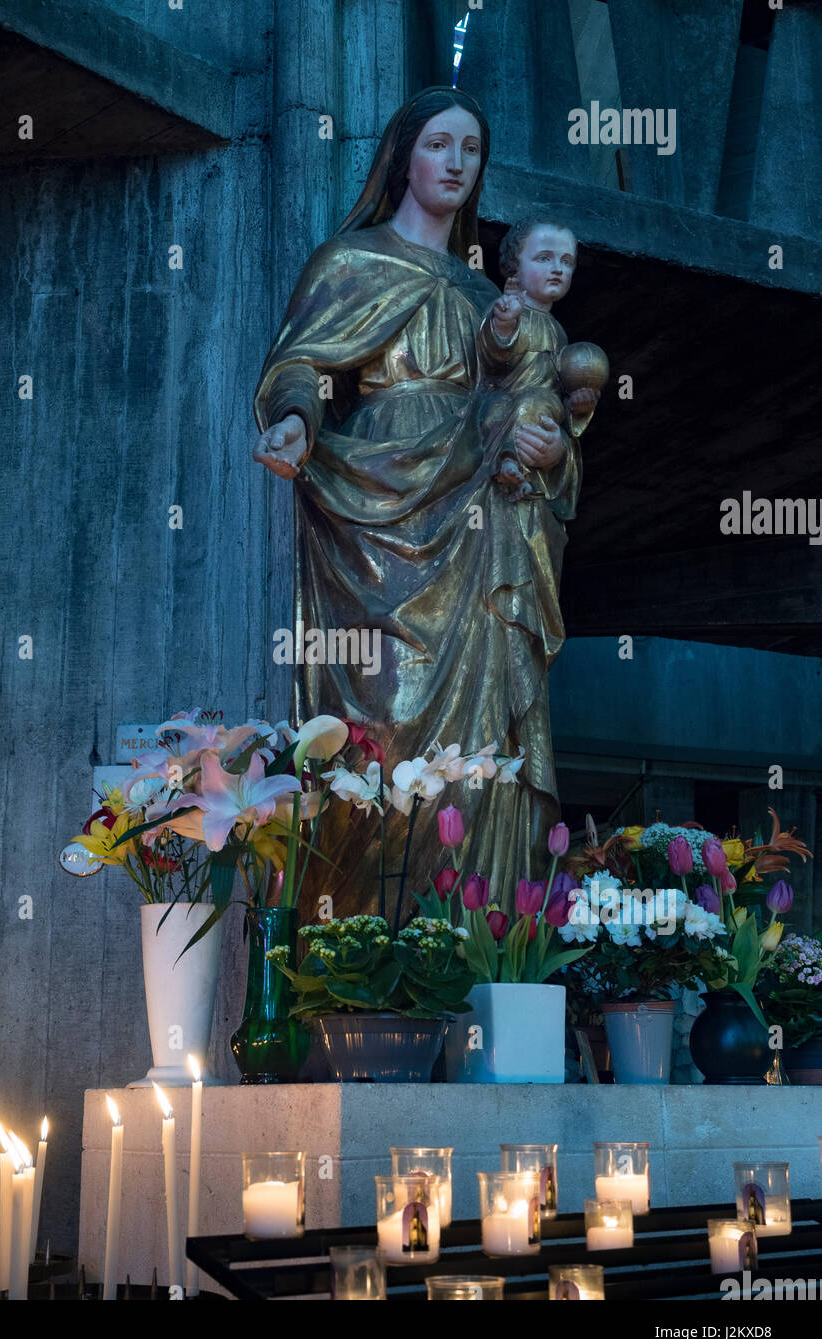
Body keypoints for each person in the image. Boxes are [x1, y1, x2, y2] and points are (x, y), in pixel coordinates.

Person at [251, 86, 583, 922]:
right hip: (373, 525)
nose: (456, 164)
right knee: (382, 735)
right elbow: (304, 365)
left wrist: (551, 455)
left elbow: (538, 404)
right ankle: (357, 955)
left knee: (479, 753)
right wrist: (294, 421)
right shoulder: (348, 262)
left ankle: (469, 949)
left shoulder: (490, 301)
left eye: (471, 150)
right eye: (440, 144)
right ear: (404, 155)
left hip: (480, 532)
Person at [477, 220, 602, 502]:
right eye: (544, 258)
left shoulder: (558, 332)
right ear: (513, 267)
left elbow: (560, 385)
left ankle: (518, 472)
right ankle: (507, 464)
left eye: (567, 261)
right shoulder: (505, 311)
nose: (557, 268)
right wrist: (505, 325)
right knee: (514, 407)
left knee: (539, 404)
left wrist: (578, 406)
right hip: (499, 405)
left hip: (541, 409)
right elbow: (489, 357)